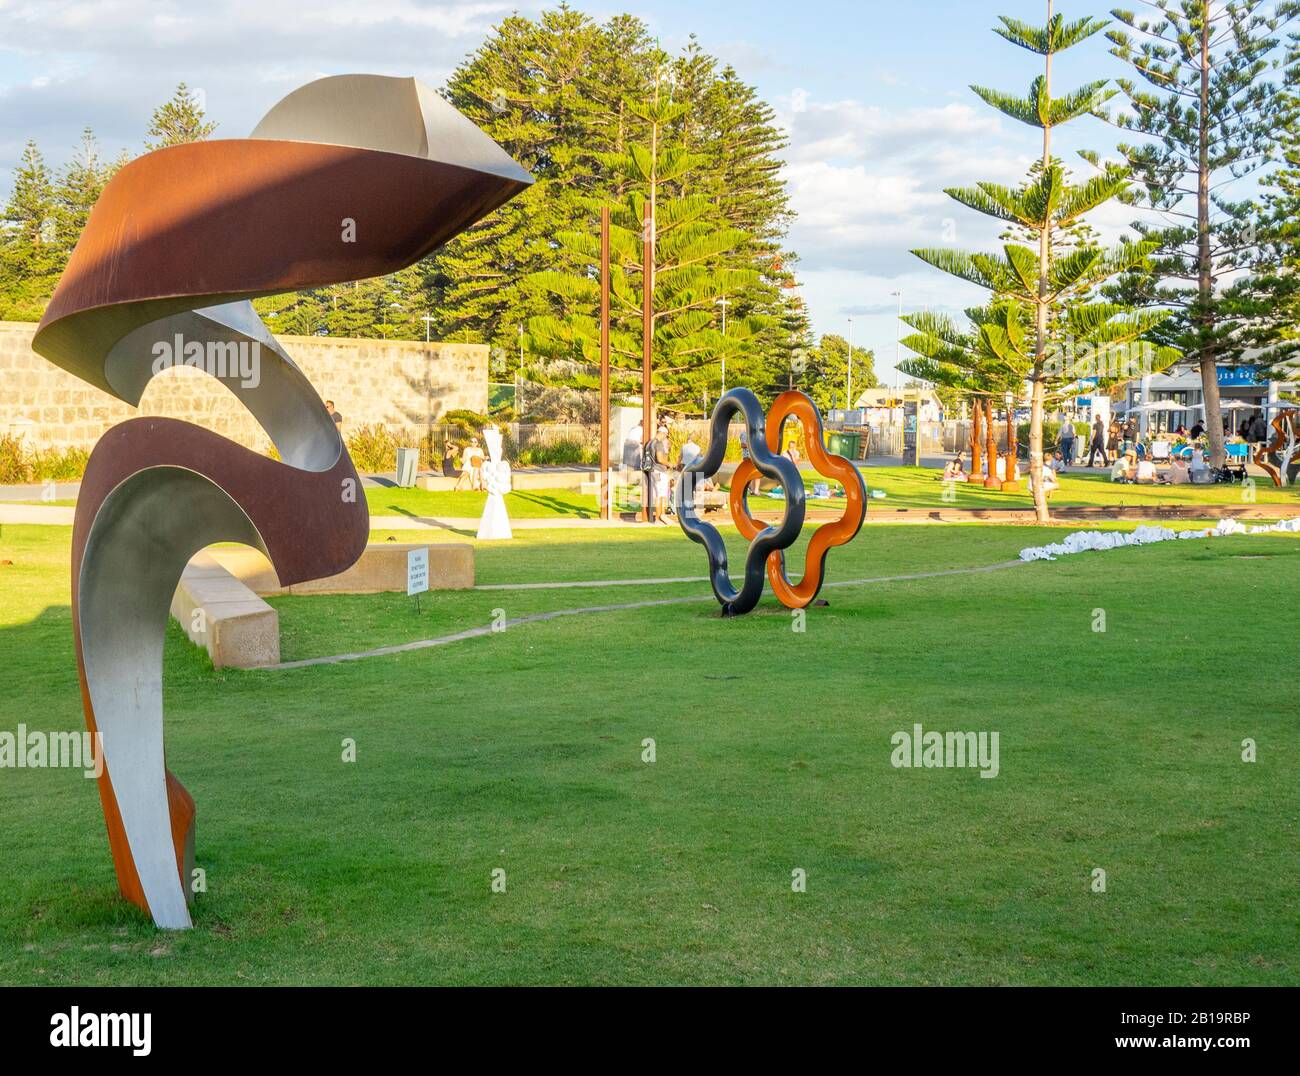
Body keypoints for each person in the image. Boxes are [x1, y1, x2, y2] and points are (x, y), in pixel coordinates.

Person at [650, 423, 672, 524]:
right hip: (659, 471)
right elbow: (659, 459)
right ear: (662, 433)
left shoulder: (650, 443)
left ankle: (662, 516)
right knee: (660, 494)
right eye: (665, 436)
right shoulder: (658, 443)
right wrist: (670, 464)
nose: (665, 438)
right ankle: (658, 518)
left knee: (661, 494)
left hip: (653, 471)